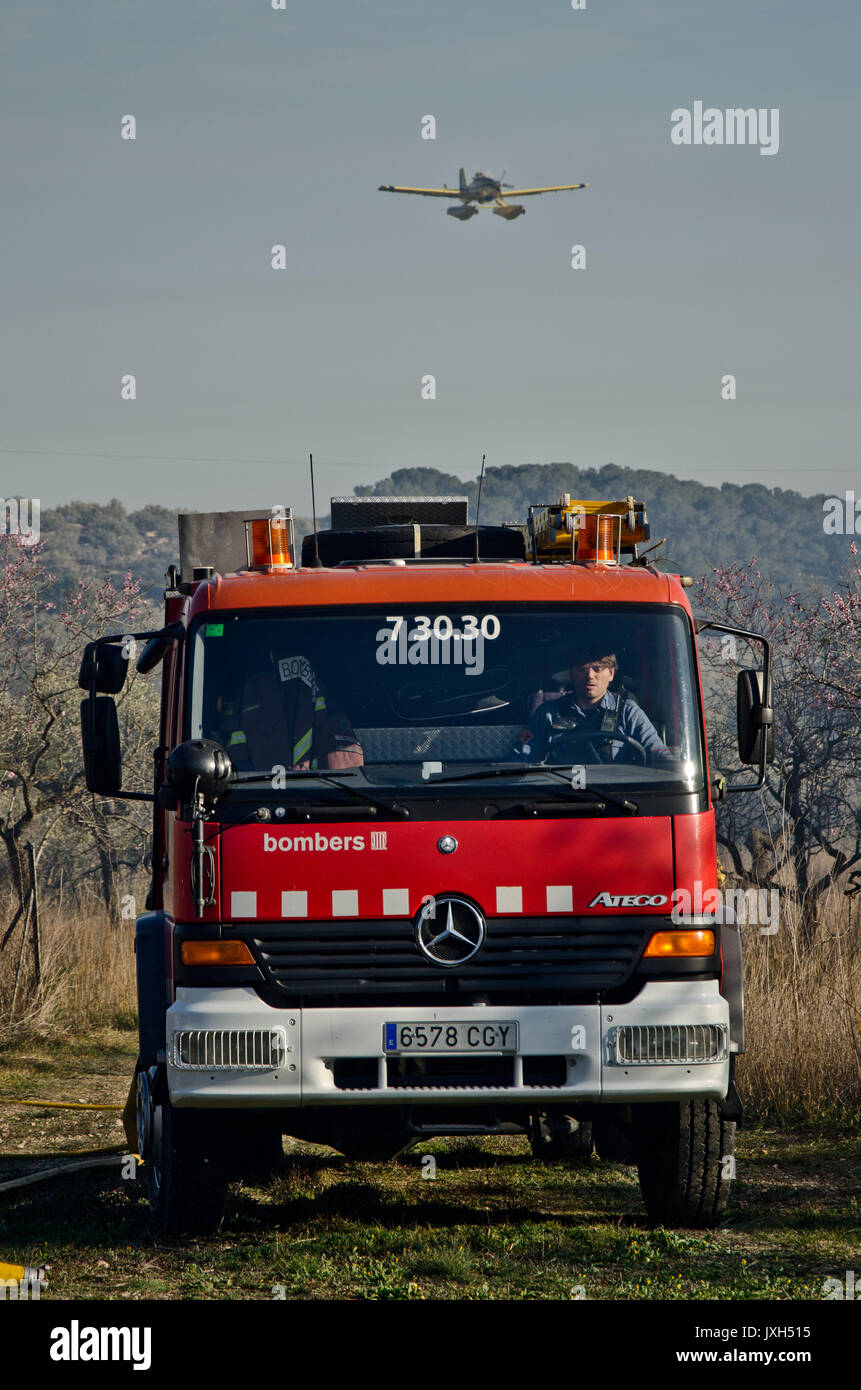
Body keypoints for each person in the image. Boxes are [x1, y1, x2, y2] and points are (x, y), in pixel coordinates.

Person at [513, 646, 669, 765]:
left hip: (616, 801)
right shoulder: (547, 713)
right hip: (558, 800)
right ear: (571, 674)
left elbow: (659, 754)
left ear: (611, 674)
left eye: (597, 669)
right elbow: (520, 758)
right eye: (582, 669)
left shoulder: (629, 713)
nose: (589, 676)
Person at [223, 655, 363, 773]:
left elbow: (346, 773)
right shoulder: (251, 680)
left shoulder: (251, 679)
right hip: (273, 788)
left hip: (292, 789)